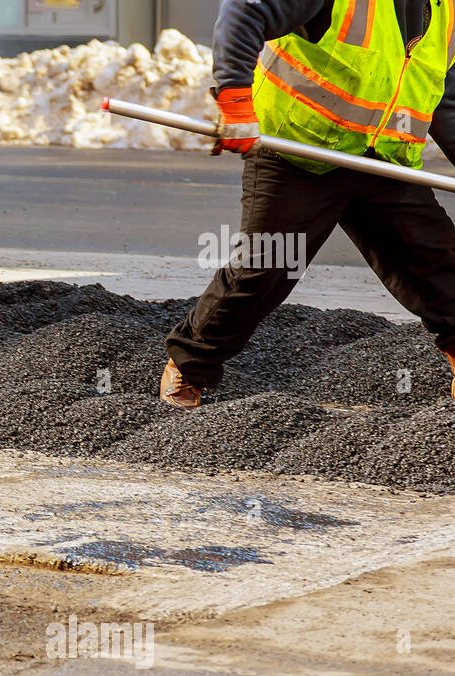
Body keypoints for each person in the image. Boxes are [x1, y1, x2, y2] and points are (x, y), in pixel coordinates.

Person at [161, 0, 455, 408]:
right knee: (263, 272)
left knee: (440, 262)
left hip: (382, 160)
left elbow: (446, 96)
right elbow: (243, 12)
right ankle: (189, 366)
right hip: (299, 151)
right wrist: (234, 100)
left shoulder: (445, 13)